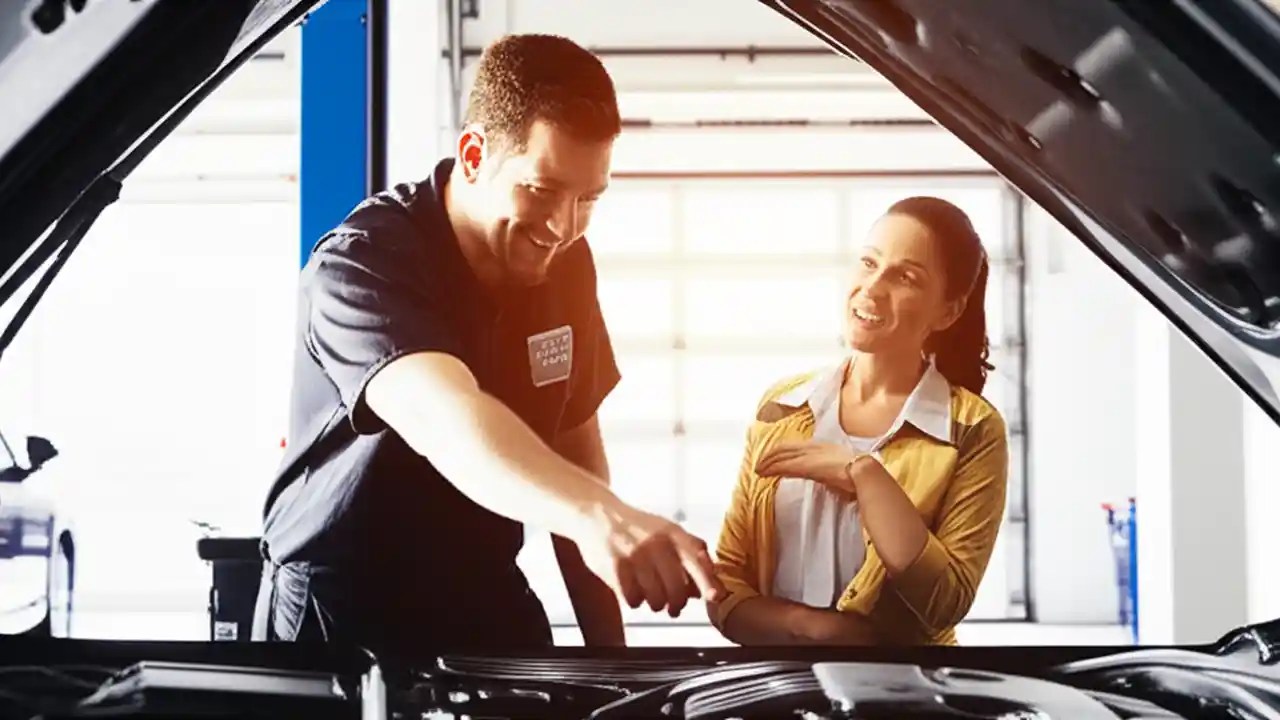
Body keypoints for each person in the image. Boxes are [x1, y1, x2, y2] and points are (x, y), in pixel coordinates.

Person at [251, 33, 724, 658]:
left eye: (589, 199)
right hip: (342, 603)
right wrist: (598, 517)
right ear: (473, 154)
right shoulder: (363, 265)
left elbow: (576, 457)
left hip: (480, 586)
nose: (564, 227)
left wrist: (617, 667)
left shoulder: (568, 264)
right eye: (543, 188)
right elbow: (448, 421)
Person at [706, 196, 1009, 646]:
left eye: (905, 277)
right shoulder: (781, 406)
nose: (872, 288)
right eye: (869, 263)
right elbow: (726, 587)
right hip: (778, 690)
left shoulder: (972, 428)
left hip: (905, 698)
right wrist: (814, 628)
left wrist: (863, 475)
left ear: (948, 311)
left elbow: (945, 601)